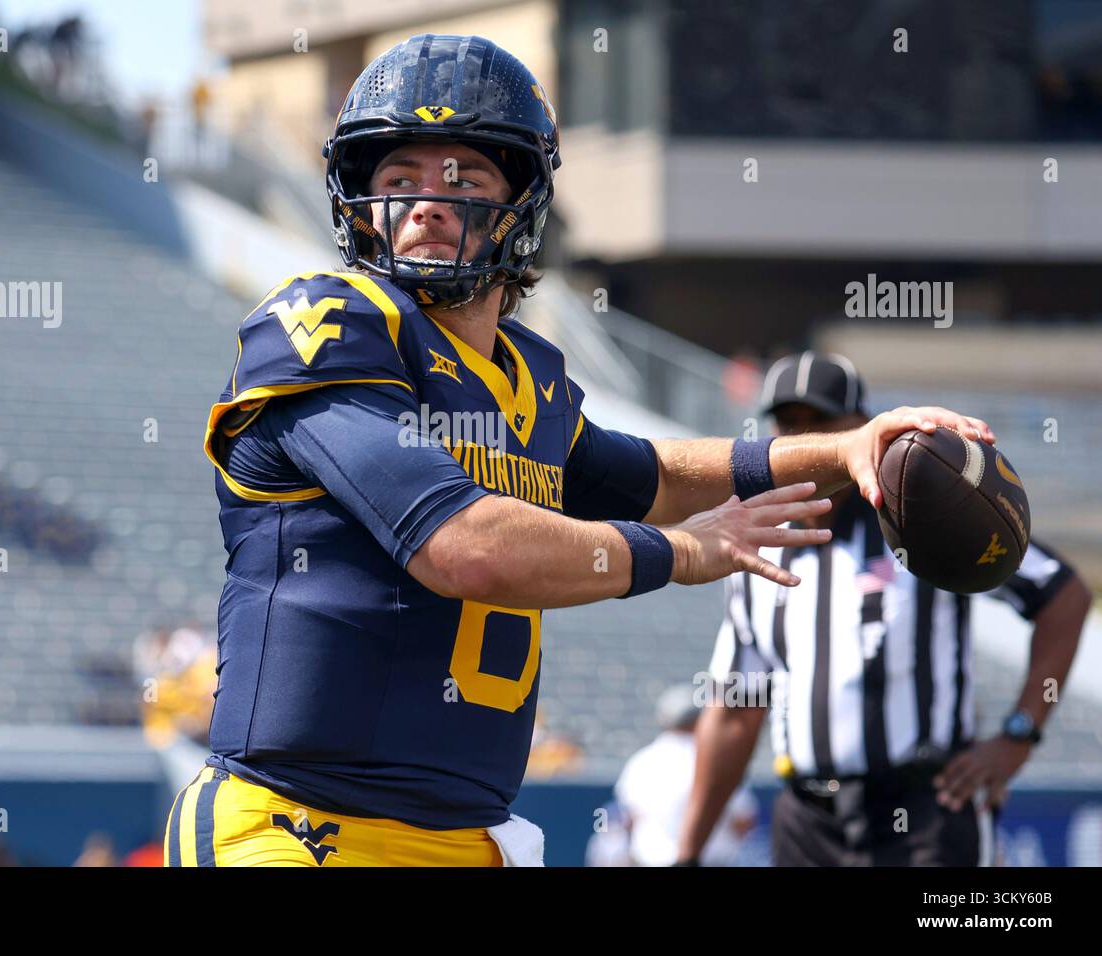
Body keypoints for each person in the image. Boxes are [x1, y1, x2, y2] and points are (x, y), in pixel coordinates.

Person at [167, 35, 995, 867]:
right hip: (293, 828)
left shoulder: (530, 376)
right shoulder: (328, 324)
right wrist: (679, 554)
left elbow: (656, 475)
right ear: (356, 201)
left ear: (521, 203)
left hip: (469, 840)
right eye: (398, 178)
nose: (426, 201)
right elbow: (463, 547)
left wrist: (846, 448)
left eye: (462, 178)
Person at [676, 352, 1092, 866]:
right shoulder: (757, 545)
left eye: (821, 421)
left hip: (925, 814)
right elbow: (738, 709)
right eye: (789, 424)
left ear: (859, 427)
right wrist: (687, 852)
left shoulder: (921, 516)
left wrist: (1018, 736)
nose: (805, 438)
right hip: (808, 823)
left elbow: (1063, 593)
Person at [616, 685, 757, 866]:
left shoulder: (641, 761)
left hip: (652, 861)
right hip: (709, 861)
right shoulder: (717, 759)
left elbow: (629, 819)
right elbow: (743, 821)